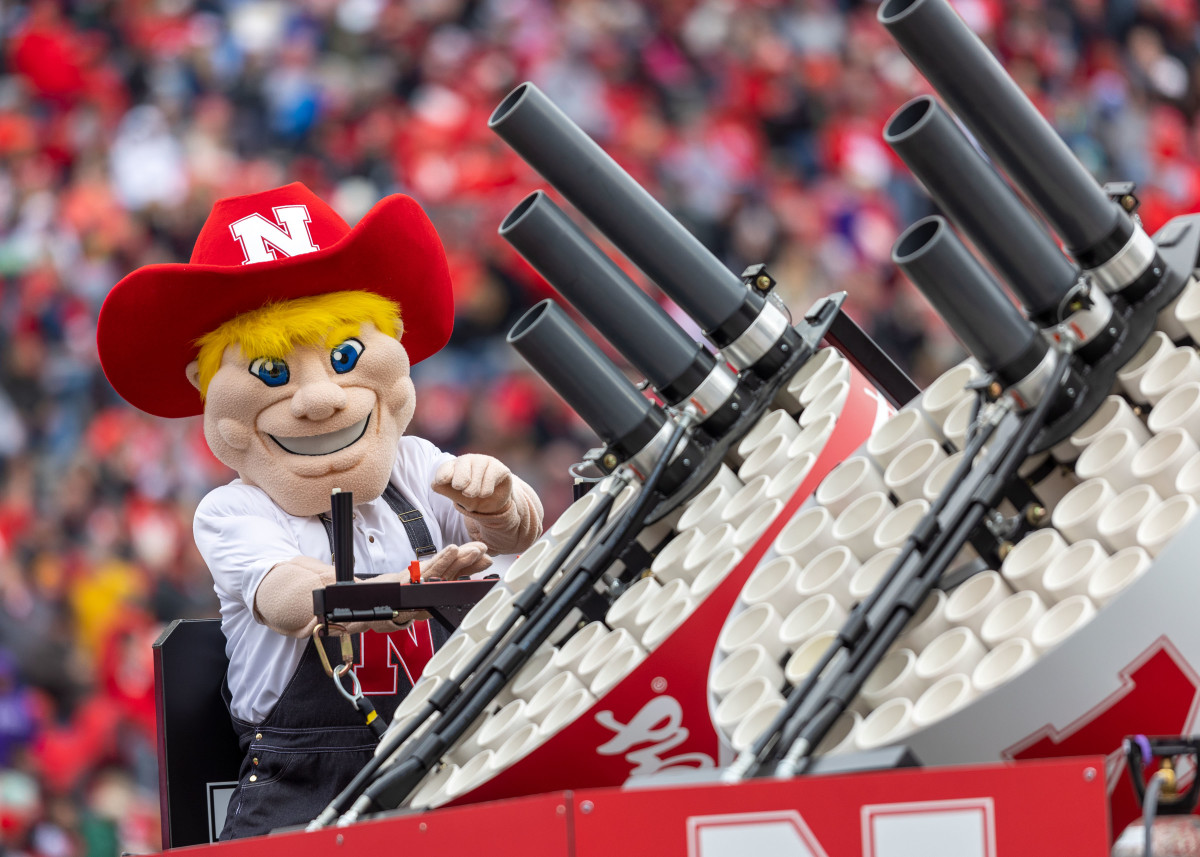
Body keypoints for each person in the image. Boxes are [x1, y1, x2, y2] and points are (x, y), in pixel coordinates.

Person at [95, 183, 543, 838]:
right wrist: (411, 593)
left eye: (342, 359)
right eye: (274, 372)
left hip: (443, 744)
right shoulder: (234, 509)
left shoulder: (412, 466)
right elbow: (290, 597)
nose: (320, 399)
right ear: (209, 390)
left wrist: (502, 495)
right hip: (305, 784)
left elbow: (519, 531)